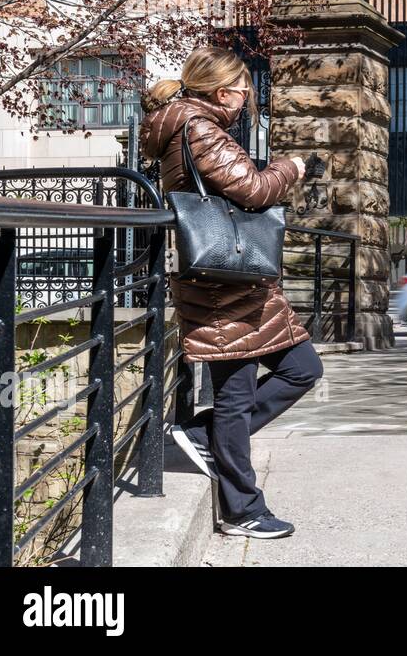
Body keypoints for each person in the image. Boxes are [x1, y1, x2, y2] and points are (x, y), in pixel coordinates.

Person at [139, 46, 322, 539]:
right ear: (223, 92)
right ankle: (243, 510)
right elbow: (255, 191)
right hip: (226, 282)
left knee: (302, 368)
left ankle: (202, 436)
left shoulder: (190, 124)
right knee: (236, 396)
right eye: (245, 91)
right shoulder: (198, 127)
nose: (248, 100)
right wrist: (291, 167)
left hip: (239, 281)